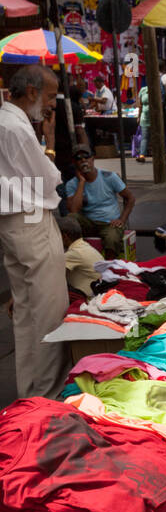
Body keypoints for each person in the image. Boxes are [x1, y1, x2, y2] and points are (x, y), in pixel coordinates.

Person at [0, 65, 69, 398]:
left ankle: (30, 394)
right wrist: (51, 147)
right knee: (48, 312)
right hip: (30, 221)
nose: (50, 104)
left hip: (14, 223)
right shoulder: (14, 126)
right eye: (50, 95)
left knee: (27, 313)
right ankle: (47, 396)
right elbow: (48, 177)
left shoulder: (8, 121)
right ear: (31, 92)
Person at [65, 146, 135, 258]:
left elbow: (130, 198)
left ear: (93, 159)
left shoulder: (109, 176)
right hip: (89, 223)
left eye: (86, 157)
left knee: (111, 238)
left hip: (109, 223)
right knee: (70, 219)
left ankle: (108, 268)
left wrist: (122, 219)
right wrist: (82, 182)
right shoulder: (72, 184)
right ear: (74, 163)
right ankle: (78, 259)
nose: (83, 160)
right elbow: (74, 210)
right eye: (79, 158)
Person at [58, 213, 100, 297]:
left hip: (90, 296)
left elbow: (51, 272)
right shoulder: (83, 246)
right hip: (99, 290)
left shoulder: (75, 253)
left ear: (64, 236)